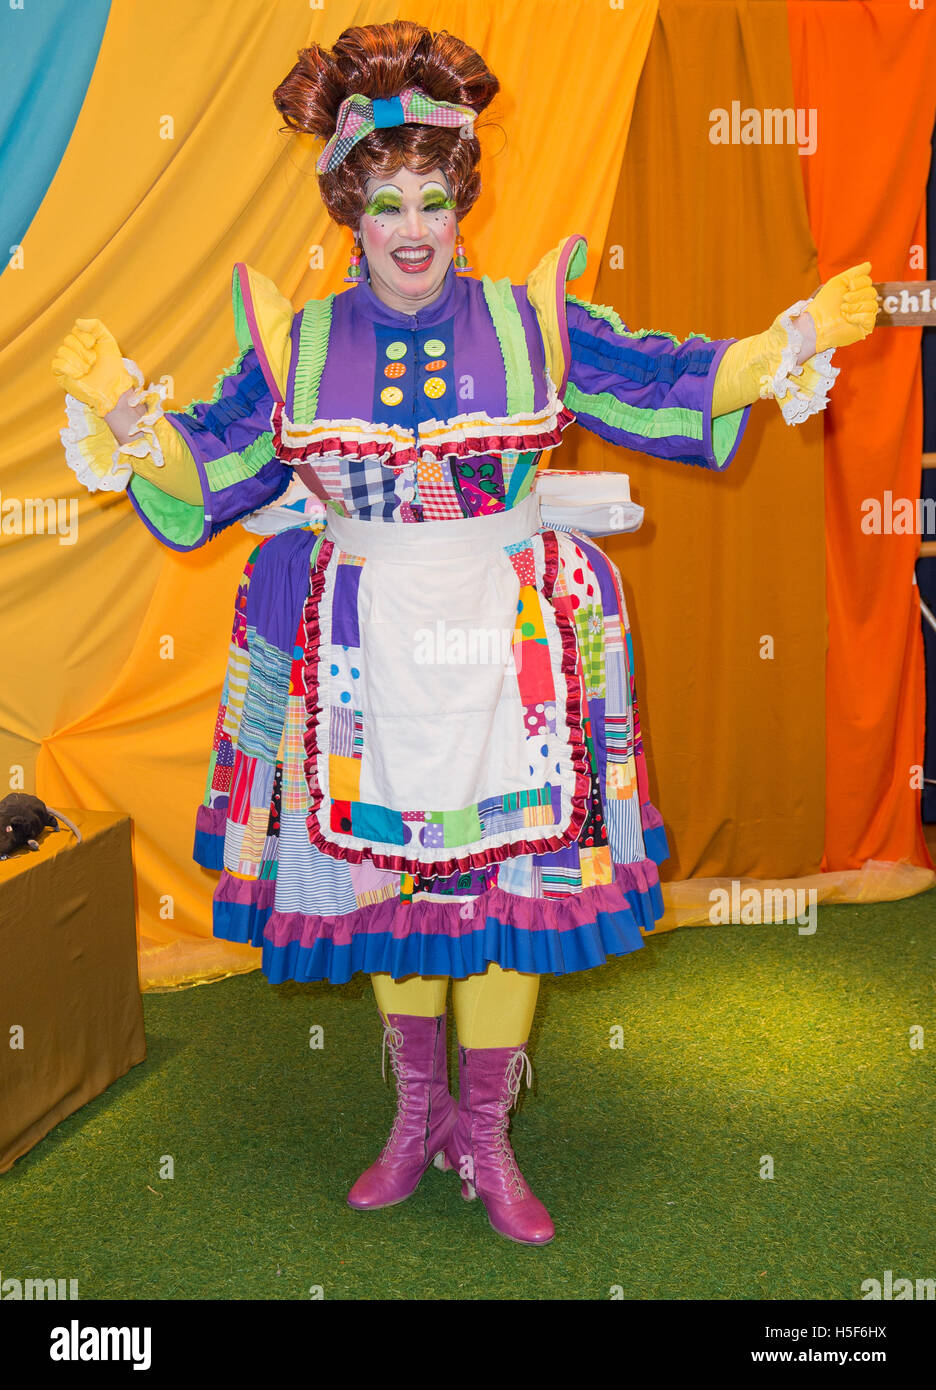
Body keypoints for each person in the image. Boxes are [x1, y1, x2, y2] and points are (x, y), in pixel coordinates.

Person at [51, 20, 878, 1247]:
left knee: (513, 890)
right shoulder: (300, 340)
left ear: (460, 201)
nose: (413, 225)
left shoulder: (533, 318)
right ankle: (414, 1113)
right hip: (361, 660)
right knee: (393, 887)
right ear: (351, 212)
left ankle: (486, 1134)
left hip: (517, 653)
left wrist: (787, 344)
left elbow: (661, 380)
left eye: (433, 197)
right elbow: (213, 462)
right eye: (386, 201)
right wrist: (125, 411)